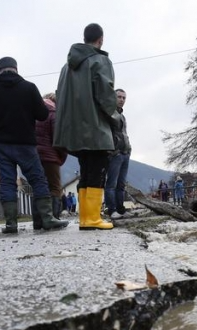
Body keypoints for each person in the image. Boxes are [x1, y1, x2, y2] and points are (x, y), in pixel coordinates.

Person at [0, 57, 68, 234]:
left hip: (1, 145)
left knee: (7, 183)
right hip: (26, 143)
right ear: (16, 69)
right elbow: (43, 114)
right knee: (38, 179)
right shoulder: (29, 87)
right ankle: (48, 218)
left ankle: (11, 223)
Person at [54, 23, 121, 230]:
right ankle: (92, 218)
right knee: (98, 171)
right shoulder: (100, 60)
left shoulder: (66, 67)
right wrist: (115, 118)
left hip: (74, 130)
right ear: (100, 40)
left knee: (86, 171)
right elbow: (106, 95)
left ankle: (85, 218)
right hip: (95, 128)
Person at [32, 92, 68, 229]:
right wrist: (61, 157)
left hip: (34, 156)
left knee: (39, 187)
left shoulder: (33, 113)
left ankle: (37, 221)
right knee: (55, 188)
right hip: (50, 157)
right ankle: (53, 219)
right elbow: (58, 139)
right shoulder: (53, 114)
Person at [104, 88, 131, 219]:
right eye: (119, 97)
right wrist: (112, 150)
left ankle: (121, 209)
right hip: (115, 153)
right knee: (111, 184)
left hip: (125, 152)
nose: (121, 100)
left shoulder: (122, 116)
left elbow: (124, 133)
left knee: (121, 184)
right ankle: (112, 210)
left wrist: (129, 149)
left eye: (124, 98)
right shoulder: (109, 113)